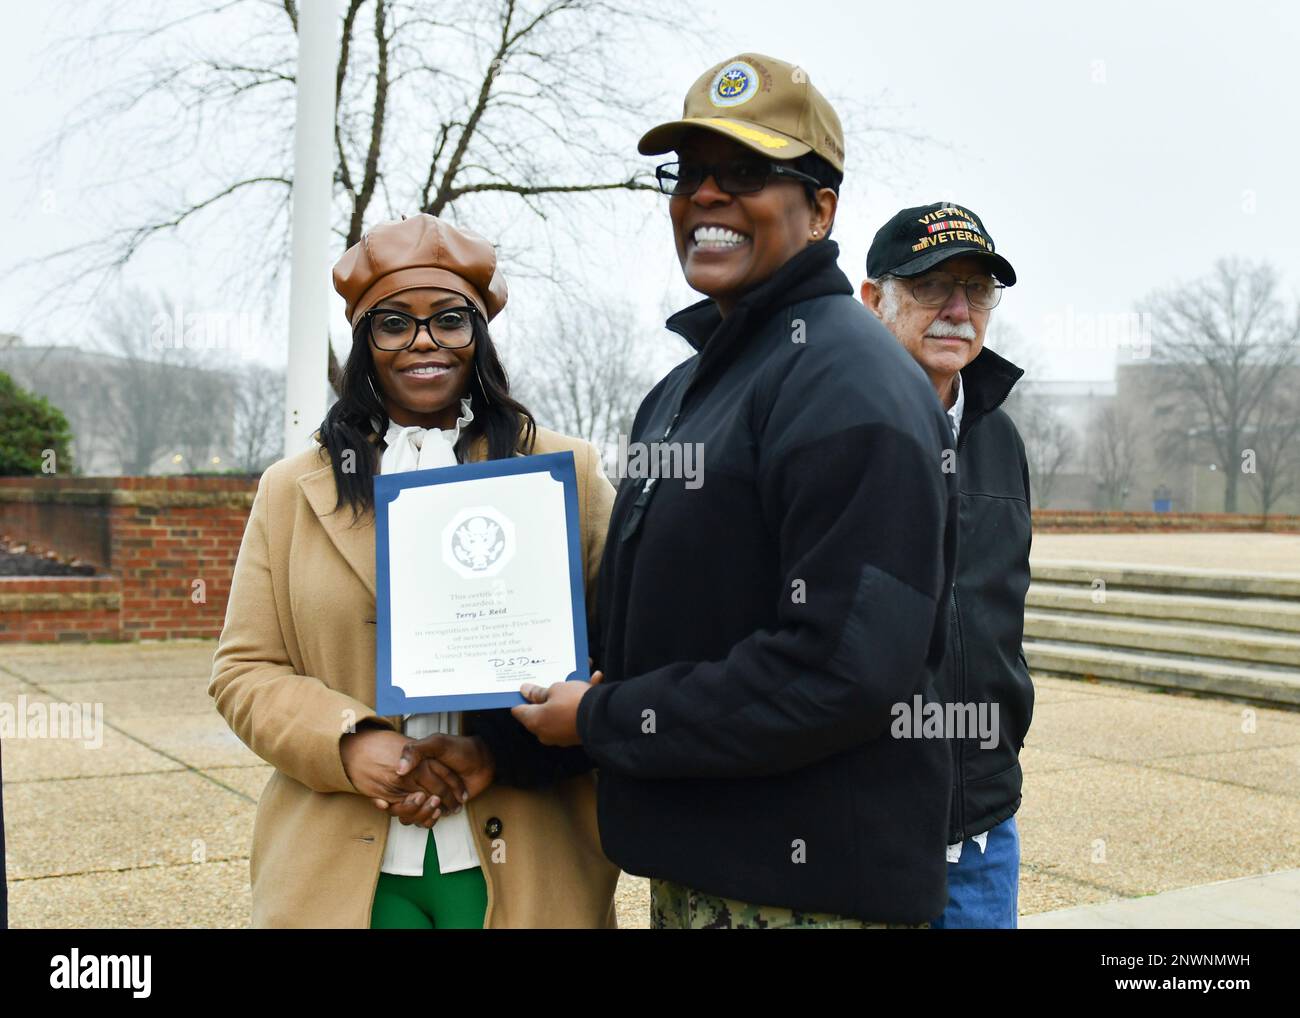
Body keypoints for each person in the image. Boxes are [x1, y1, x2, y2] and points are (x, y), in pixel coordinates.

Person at [502, 53, 960, 928]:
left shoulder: (850, 383)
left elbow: (841, 670)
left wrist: (604, 718)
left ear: (821, 207)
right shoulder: (687, 391)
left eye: (746, 173)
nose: (705, 197)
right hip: (705, 872)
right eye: (688, 175)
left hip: (804, 897)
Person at [209, 214, 619, 928]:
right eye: (392, 323)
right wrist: (348, 742)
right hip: (341, 864)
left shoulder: (567, 473)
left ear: (479, 336)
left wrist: (500, 749)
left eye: (449, 320)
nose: (423, 342)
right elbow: (244, 670)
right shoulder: (291, 487)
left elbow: (623, 655)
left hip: (524, 849)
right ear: (365, 343)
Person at [860, 202, 1034, 928]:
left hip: (982, 826)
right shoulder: (831, 425)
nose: (959, 309)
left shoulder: (1002, 439)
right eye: (933, 285)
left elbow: (999, 613)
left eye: (978, 289)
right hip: (860, 824)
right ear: (874, 301)